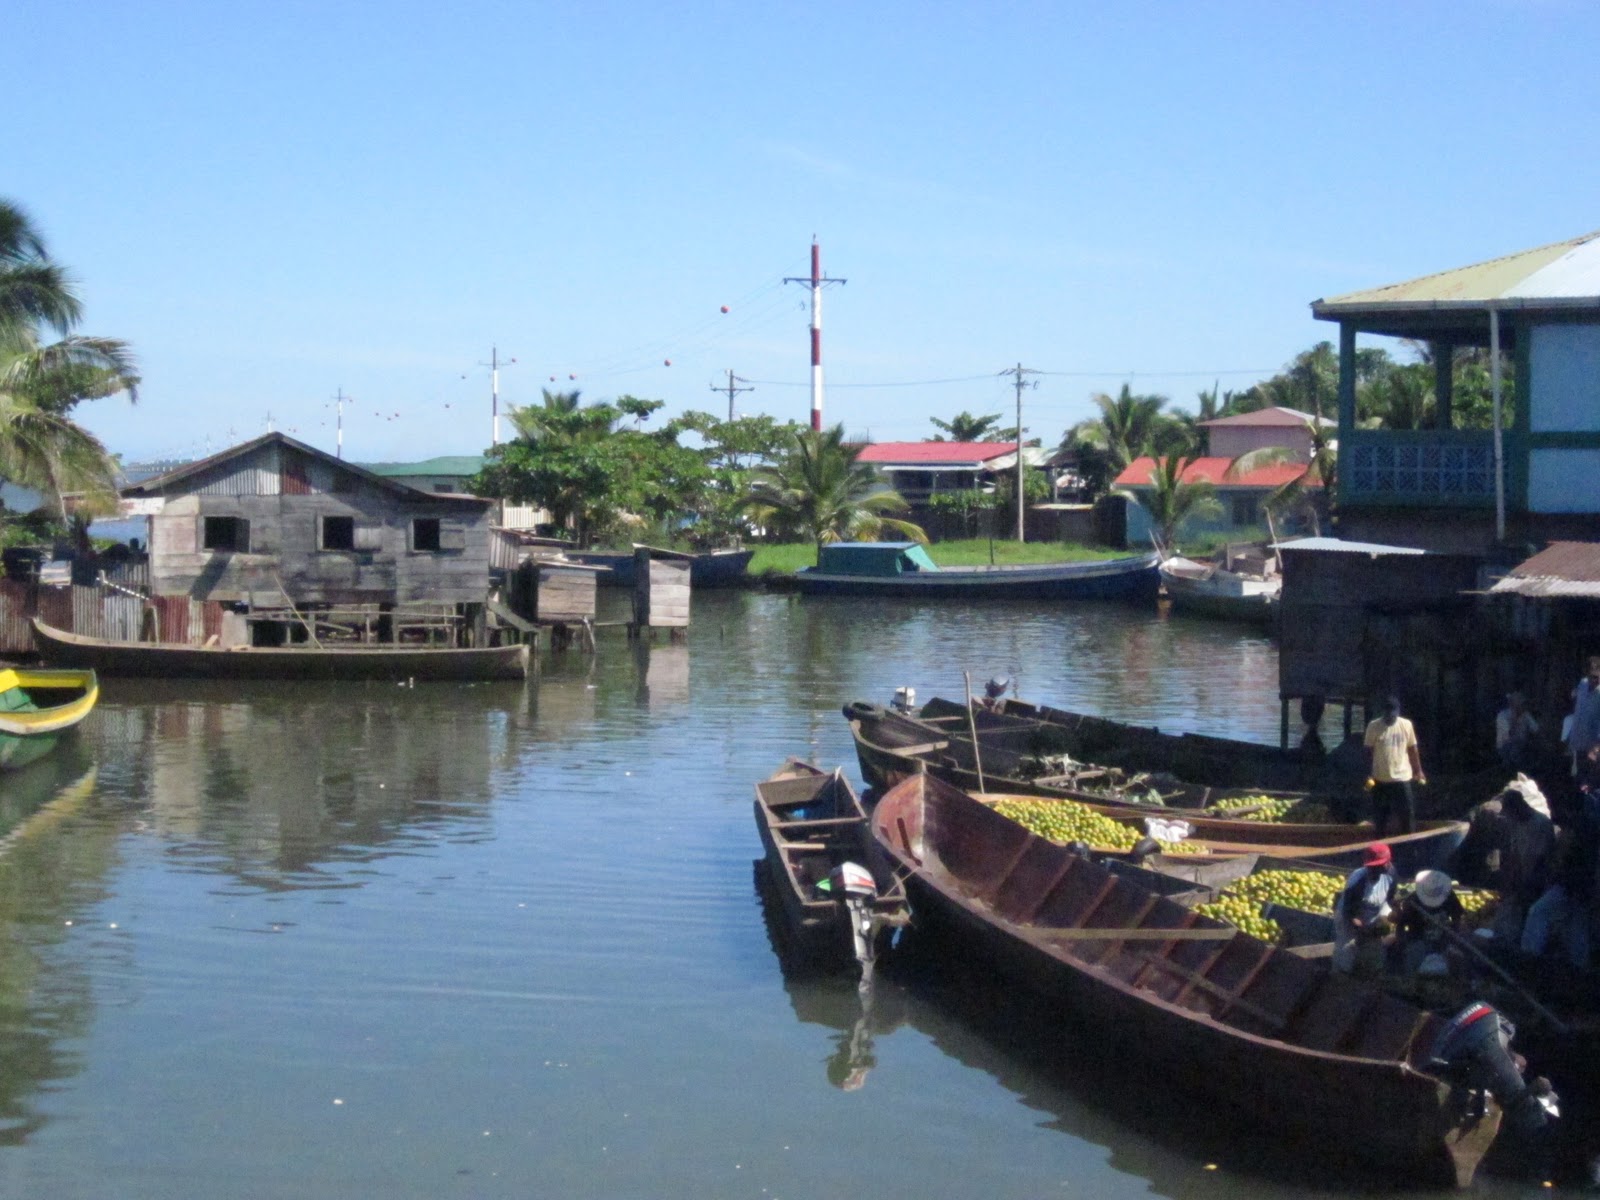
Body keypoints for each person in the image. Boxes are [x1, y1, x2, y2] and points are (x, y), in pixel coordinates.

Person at [1451, 775, 1555, 944]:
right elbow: (1511, 855)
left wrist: (1523, 884)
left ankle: (1528, 951)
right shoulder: (1515, 824)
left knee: (1532, 913)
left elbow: (1539, 860)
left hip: (1537, 877)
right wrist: (1507, 884)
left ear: (1520, 808)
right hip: (1521, 875)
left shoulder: (1540, 824)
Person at [1333, 842, 1397, 976]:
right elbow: (1349, 913)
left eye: (1379, 866)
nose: (1375, 870)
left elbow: (1389, 900)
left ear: (1387, 863)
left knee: (1374, 958)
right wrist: (1363, 929)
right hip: (1349, 916)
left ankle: (1369, 977)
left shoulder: (1391, 876)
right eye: (1372, 867)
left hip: (1372, 914)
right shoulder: (1358, 881)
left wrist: (1388, 918)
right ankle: (1341, 977)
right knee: (1347, 954)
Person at [1364, 695, 1425, 836]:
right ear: (1383, 712)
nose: (1390, 717)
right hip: (1380, 779)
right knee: (1380, 819)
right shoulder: (1373, 726)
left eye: (1393, 714)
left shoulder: (1406, 725)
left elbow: (1412, 749)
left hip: (1401, 779)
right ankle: (1380, 845)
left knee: (1407, 815)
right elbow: (1368, 751)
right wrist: (1368, 773)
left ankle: (1409, 844)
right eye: (1387, 714)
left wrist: (1418, 771)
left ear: (1397, 712)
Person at [1394, 869, 1466, 979]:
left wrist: (1454, 938)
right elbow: (1400, 925)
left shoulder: (1448, 896)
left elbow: (1457, 917)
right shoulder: (1413, 901)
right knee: (1415, 971)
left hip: (1443, 941)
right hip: (1418, 941)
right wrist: (1403, 943)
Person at [1566, 657, 1600, 775]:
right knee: (1576, 776)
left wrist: (1597, 747)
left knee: (1589, 780)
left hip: (1593, 746)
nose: (1596, 680)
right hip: (1578, 741)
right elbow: (1577, 710)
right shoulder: (1582, 684)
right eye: (1593, 676)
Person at [1495, 691, 1539, 772]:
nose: (1522, 706)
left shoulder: (1526, 714)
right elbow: (1509, 734)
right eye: (1520, 703)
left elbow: (1536, 729)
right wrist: (1516, 718)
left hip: (1522, 745)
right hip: (1506, 747)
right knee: (1514, 751)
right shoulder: (1502, 716)